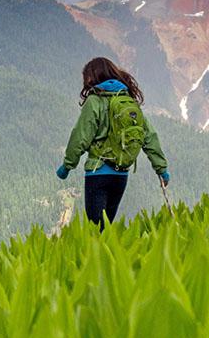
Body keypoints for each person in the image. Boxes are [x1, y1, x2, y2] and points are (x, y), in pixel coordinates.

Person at [57, 57, 170, 230]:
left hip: (98, 174)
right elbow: (149, 136)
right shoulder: (128, 101)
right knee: (106, 228)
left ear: (92, 77)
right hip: (121, 176)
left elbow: (80, 136)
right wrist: (161, 169)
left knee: (96, 230)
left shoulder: (95, 101)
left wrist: (67, 165)